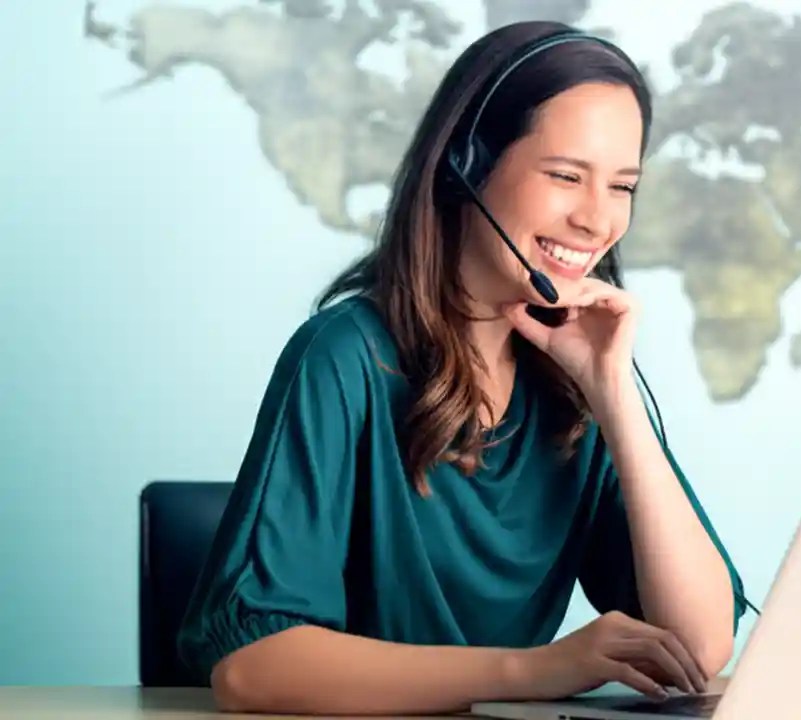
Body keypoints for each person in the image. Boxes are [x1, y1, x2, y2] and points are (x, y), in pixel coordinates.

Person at [175, 19, 748, 716]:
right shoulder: (345, 355)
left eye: (622, 186)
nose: (597, 220)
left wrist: (615, 397)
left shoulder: (573, 383)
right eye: (566, 176)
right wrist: (534, 670)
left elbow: (698, 646)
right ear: (465, 166)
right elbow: (252, 668)